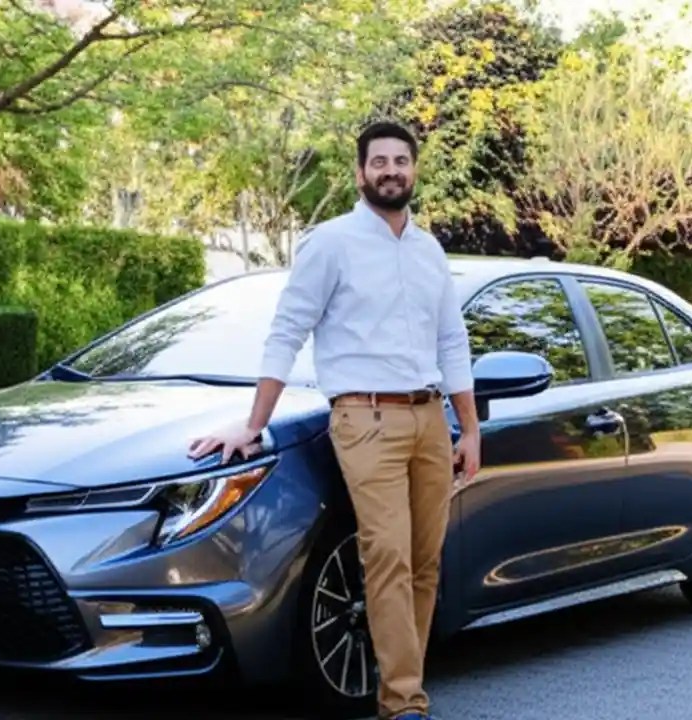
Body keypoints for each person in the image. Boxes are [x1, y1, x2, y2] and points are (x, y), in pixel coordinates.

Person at [186, 121, 480, 720]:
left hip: (430, 420)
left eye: (401, 160)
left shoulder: (429, 251)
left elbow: (452, 342)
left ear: (413, 171)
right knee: (388, 556)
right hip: (364, 419)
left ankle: (404, 682)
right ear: (360, 172)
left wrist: (468, 428)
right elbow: (287, 331)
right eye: (380, 161)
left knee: (425, 561)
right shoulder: (331, 242)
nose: (391, 170)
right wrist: (253, 422)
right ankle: (404, 703)